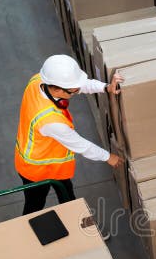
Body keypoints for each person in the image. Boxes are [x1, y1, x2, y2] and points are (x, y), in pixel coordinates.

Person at [15, 54, 123, 217]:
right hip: (37, 169)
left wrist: (106, 87)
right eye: (72, 91)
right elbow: (81, 145)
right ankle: (27, 234)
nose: (77, 91)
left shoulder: (38, 81)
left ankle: (79, 225)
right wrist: (108, 157)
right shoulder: (50, 121)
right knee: (34, 205)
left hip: (50, 160)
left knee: (67, 196)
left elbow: (79, 85)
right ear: (57, 89)